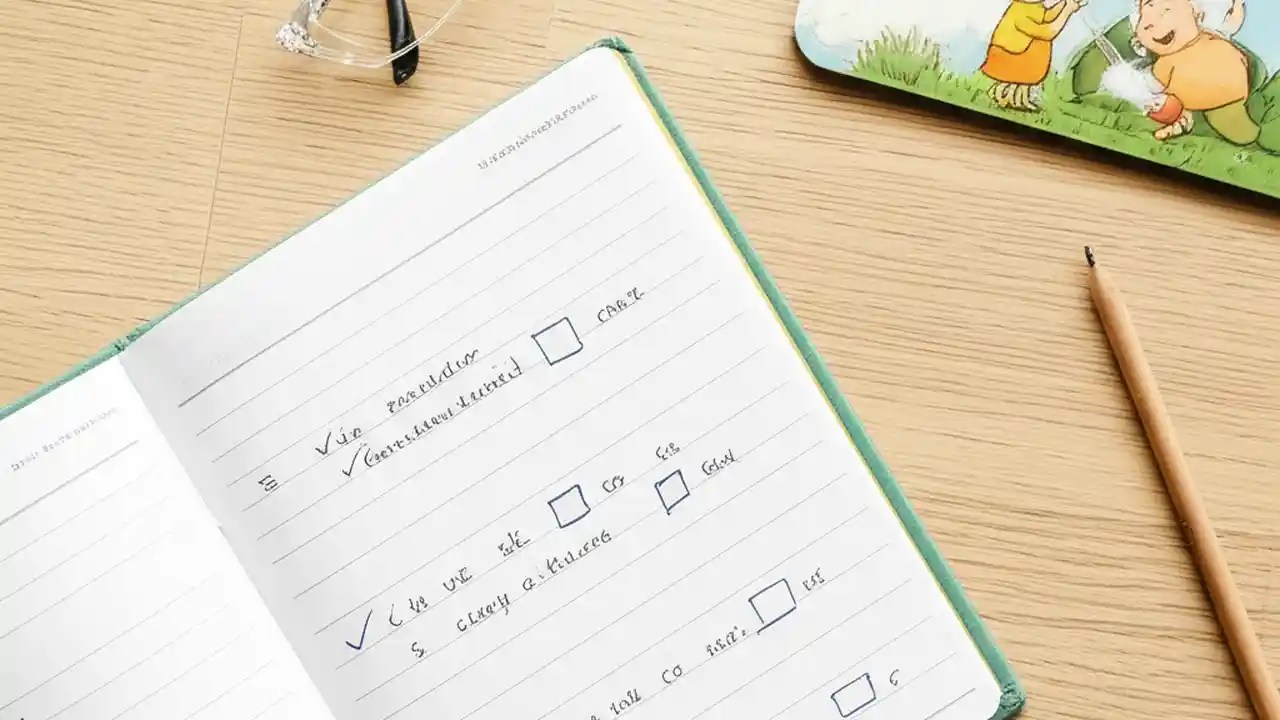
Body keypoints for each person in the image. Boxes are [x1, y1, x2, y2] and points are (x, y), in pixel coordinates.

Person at [1132, 0, 1259, 145]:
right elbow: (1154, 87)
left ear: (1196, 13)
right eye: (1147, 26)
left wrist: (1237, 6)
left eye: (1166, 11)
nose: (1156, 28)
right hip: (1191, 101)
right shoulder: (1165, 63)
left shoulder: (1212, 35)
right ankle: (1185, 120)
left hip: (1230, 89)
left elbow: (1231, 24)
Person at [981, 0, 1087, 111]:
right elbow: (1048, 32)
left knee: (1037, 50)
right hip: (1008, 56)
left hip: (1020, 54)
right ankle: (1004, 94)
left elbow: (1047, 16)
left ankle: (1021, 98)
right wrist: (1067, 11)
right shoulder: (1020, 12)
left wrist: (1064, 3)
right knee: (1038, 45)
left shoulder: (1033, 7)